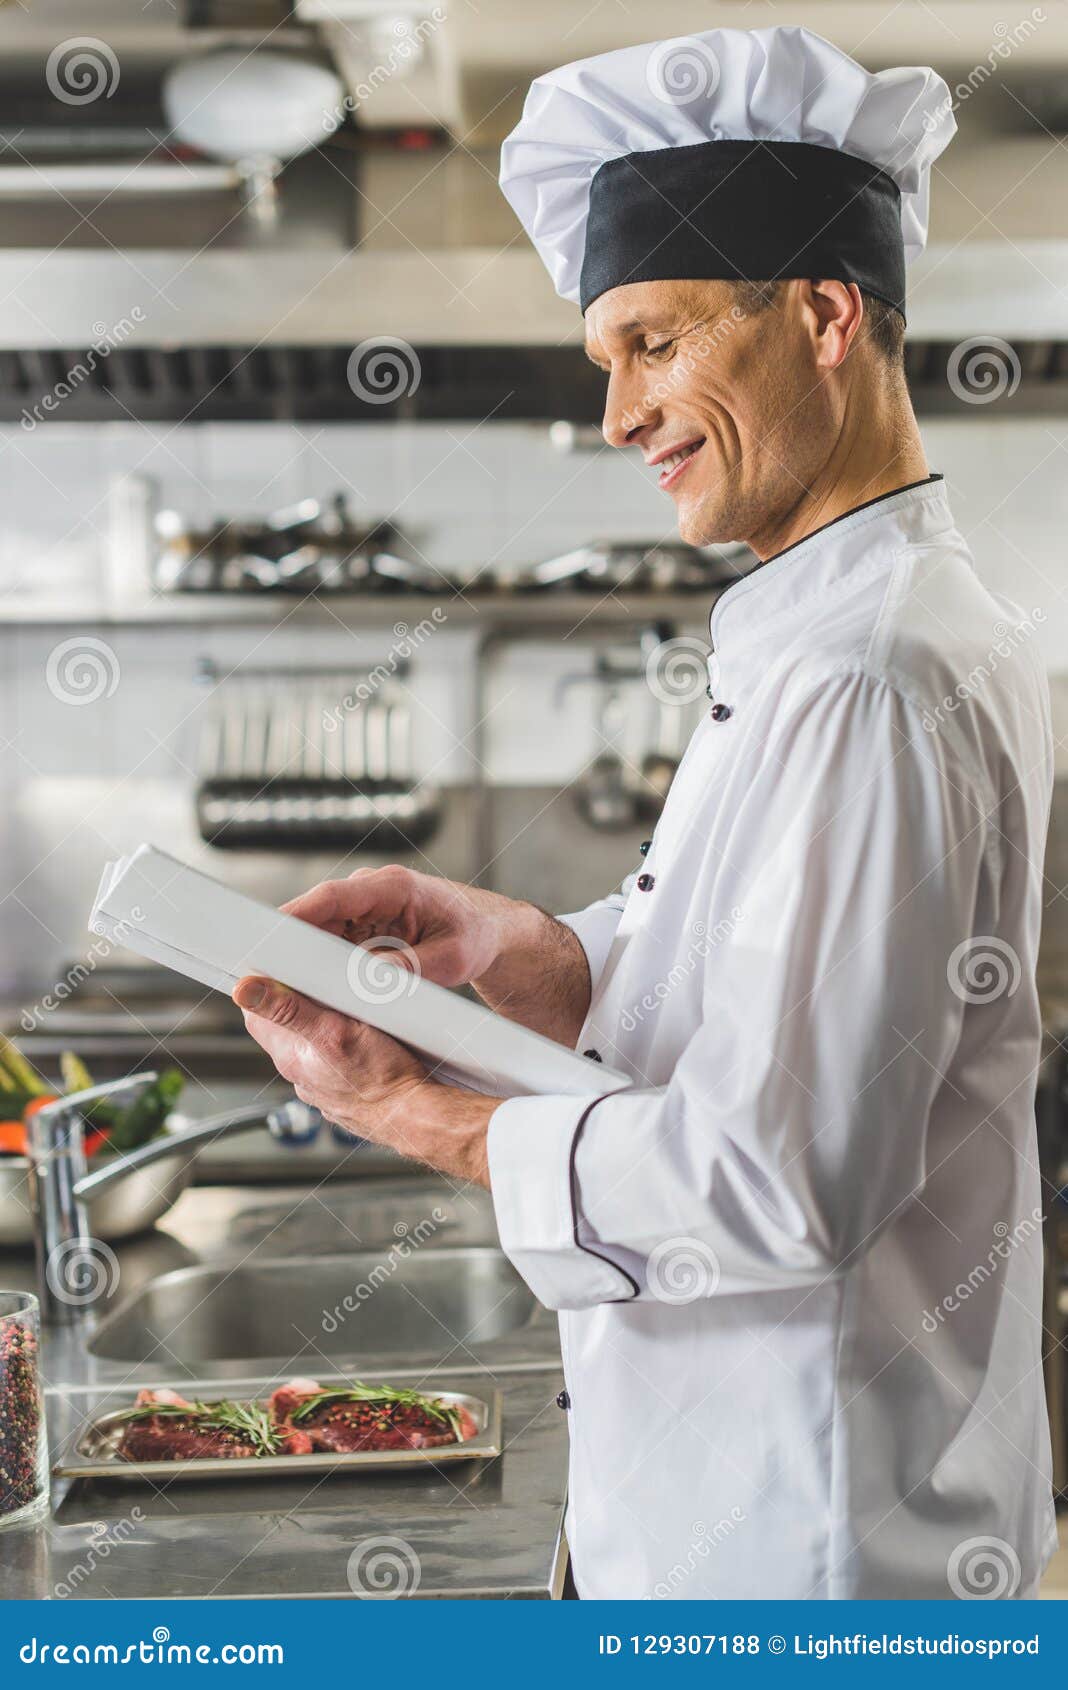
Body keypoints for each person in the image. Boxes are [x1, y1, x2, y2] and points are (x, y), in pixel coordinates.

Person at [233, 27, 1056, 1599]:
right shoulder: (830, 630)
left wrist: (420, 1117)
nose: (618, 414)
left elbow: (782, 1176)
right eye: (605, 358)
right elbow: (769, 987)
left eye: (655, 343)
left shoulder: (872, 672)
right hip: (752, 1527)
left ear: (823, 315)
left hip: (803, 1564)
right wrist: (549, 958)